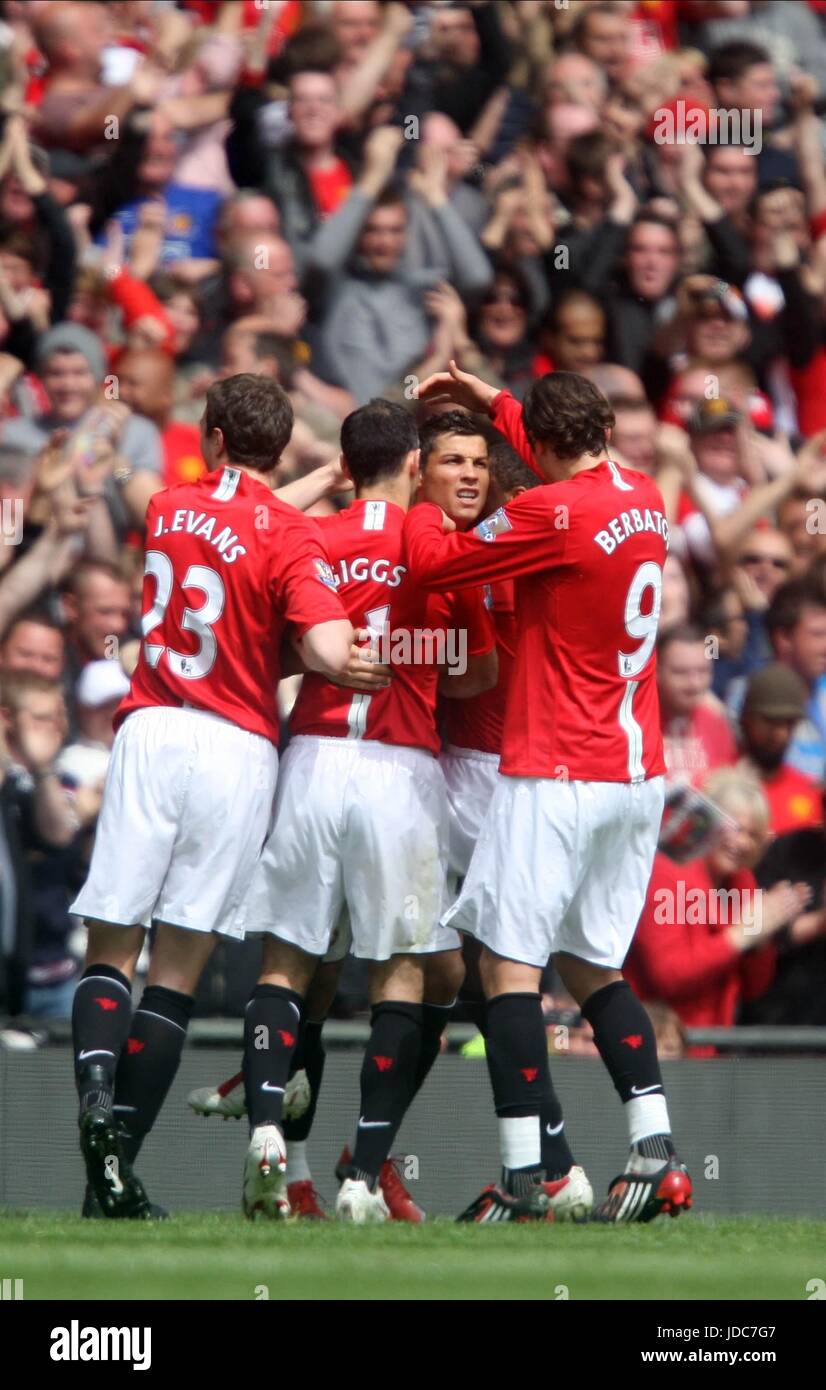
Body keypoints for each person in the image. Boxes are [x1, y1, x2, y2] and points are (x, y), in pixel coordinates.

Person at [67, 373, 360, 1220]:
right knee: (178, 971)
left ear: (215, 439)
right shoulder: (291, 535)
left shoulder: (167, 506)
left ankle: (95, 1096)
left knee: (112, 943)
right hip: (237, 748)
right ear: (280, 448)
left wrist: (315, 481)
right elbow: (323, 640)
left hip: (154, 727)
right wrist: (351, 661)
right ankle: (115, 1171)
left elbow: (236, 517)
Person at [406, 362, 691, 1223]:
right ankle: (656, 1152)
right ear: (605, 429)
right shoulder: (646, 495)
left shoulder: (549, 514)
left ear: (540, 444)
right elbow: (556, 454)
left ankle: (526, 1176)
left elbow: (439, 564)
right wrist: (496, 400)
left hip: (558, 770)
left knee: (507, 968)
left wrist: (415, 494)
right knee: (595, 964)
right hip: (636, 775)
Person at [234, 398, 498, 1222]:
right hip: (398, 767)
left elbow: (275, 645)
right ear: (417, 466)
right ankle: (363, 1176)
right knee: (401, 972)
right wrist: (420, 668)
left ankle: (274, 1147)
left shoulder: (308, 536)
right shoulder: (439, 546)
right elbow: (477, 675)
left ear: (345, 467)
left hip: (312, 760)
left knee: (288, 963)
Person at [626, 769, 815, 1056]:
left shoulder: (742, 882)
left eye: (753, 835)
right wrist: (741, 935)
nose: (743, 843)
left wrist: (763, 936)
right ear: (706, 822)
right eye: (735, 828)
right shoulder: (666, 872)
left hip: (712, 1049)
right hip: (658, 1049)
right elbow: (668, 975)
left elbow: (754, 988)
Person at [738, 663, 823, 837]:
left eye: (789, 723)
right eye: (771, 722)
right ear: (747, 720)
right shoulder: (718, 787)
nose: (780, 734)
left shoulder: (809, 792)